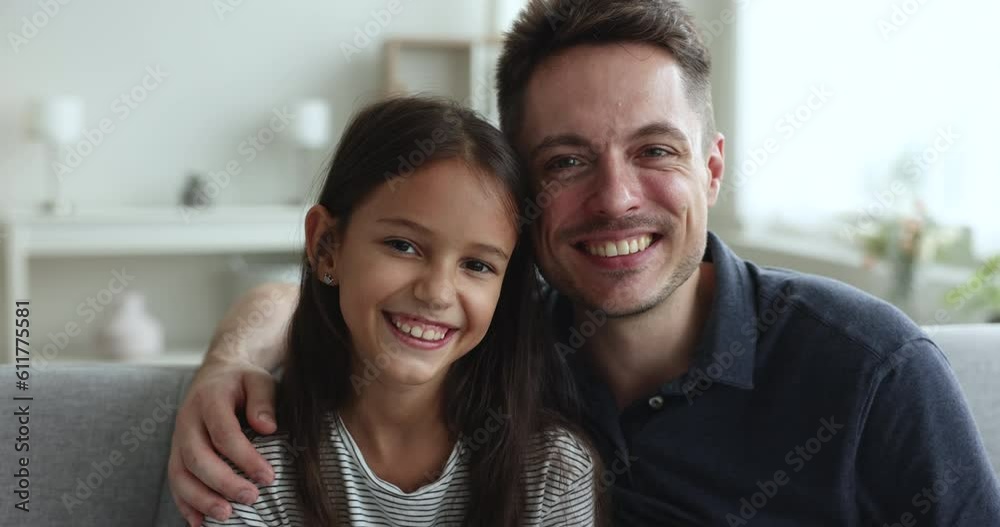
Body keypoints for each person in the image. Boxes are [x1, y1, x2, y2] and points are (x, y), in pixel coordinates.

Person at [171, 0, 1000, 525]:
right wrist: (229, 362)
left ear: (711, 168)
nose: (615, 199)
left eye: (654, 151)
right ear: (520, 203)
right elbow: (338, 294)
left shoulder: (871, 372)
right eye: (566, 161)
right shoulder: (501, 345)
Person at [195, 96, 600, 526]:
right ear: (327, 247)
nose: (437, 293)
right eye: (403, 246)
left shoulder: (552, 473)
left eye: (477, 265)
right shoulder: (253, 465)